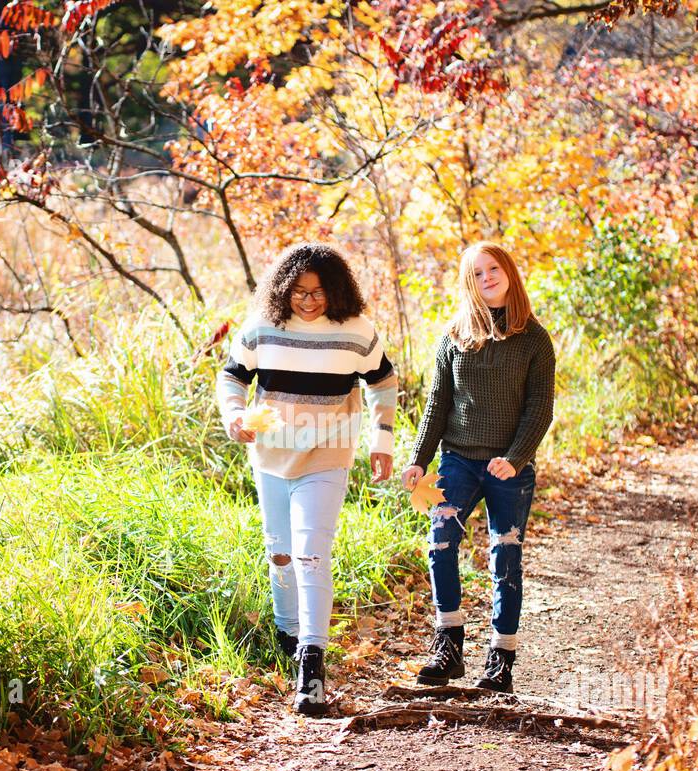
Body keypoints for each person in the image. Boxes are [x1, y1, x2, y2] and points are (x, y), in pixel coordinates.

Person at [217, 243, 397, 715]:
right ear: (284, 289)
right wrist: (234, 413)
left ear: (335, 291)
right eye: (299, 291)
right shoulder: (262, 329)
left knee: (311, 553)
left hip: (327, 454)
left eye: (318, 292)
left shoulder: (356, 332)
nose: (309, 300)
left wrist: (383, 441)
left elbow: (382, 383)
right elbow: (232, 377)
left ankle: (313, 663)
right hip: (270, 456)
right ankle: (288, 636)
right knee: (279, 553)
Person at [402, 241, 556, 693]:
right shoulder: (454, 335)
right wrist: (419, 458)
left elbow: (539, 408)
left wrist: (515, 457)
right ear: (468, 283)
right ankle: (448, 645)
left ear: (508, 272)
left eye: (493, 268)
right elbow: (438, 403)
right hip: (457, 461)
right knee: (440, 541)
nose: (487, 277)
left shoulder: (533, 338)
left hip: (510, 467)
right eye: (477, 273)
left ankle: (501, 658)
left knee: (504, 553)